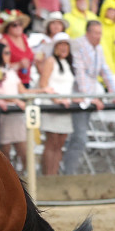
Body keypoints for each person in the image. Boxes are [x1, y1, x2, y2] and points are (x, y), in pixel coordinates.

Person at [63, 20, 115, 174]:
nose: (98, 36)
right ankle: (67, 174)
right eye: (96, 33)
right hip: (76, 98)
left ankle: (69, 172)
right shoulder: (78, 45)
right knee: (78, 138)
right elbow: (80, 74)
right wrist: (89, 97)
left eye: (100, 33)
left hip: (88, 99)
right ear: (88, 33)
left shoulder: (98, 48)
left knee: (78, 139)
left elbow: (105, 72)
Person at [35, 32, 76, 176]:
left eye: (66, 45)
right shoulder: (51, 61)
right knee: (52, 142)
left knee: (60, 143)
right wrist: (56, 100)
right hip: (53, 106)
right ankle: (48, 176)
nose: (64, 48)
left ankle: (54, 175)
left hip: (65, 107)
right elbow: (44, 84)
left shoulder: (68, 63)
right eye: (60, 45)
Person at [0, 41, 27, 171]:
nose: (9, 56)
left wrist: (44, 90)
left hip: (16, 115)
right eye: (6, 53)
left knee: (24, 151)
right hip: (4, 114)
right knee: (5, 152)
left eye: (9, 53)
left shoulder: (11, 71)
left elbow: (23, 90)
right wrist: (16, 101)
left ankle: (25, 177)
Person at [0, 10, 35, 86]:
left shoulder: (24, 37)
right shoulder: (4, 42)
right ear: (7, 28)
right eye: (14, 25)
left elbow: (31, 57)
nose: (18, 27)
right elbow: (2, 66)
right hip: (12, 81)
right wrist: (18, 65)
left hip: (26, 80)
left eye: (20, 24)